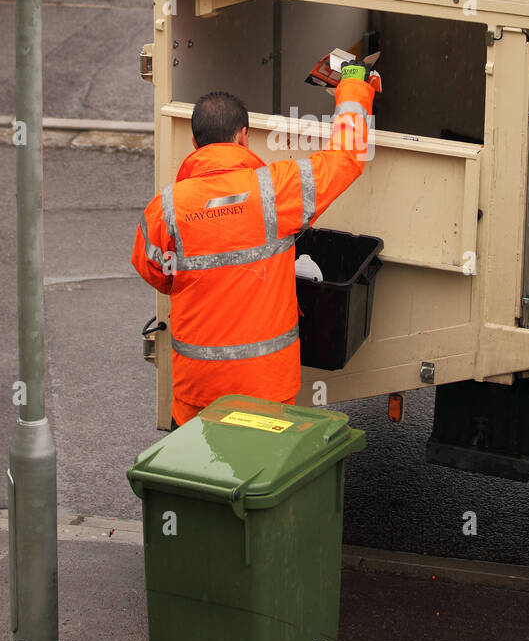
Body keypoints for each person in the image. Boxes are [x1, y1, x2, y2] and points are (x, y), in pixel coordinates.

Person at [131, 63, 380, 429]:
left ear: (196, 141)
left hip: (197, 389)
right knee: (258, 480)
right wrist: (355, 88)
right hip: (265, 390)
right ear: (243, 136)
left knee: (196, 478)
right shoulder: (276, 191)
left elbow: (154, 271)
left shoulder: (167, 207)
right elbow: (346, 158)